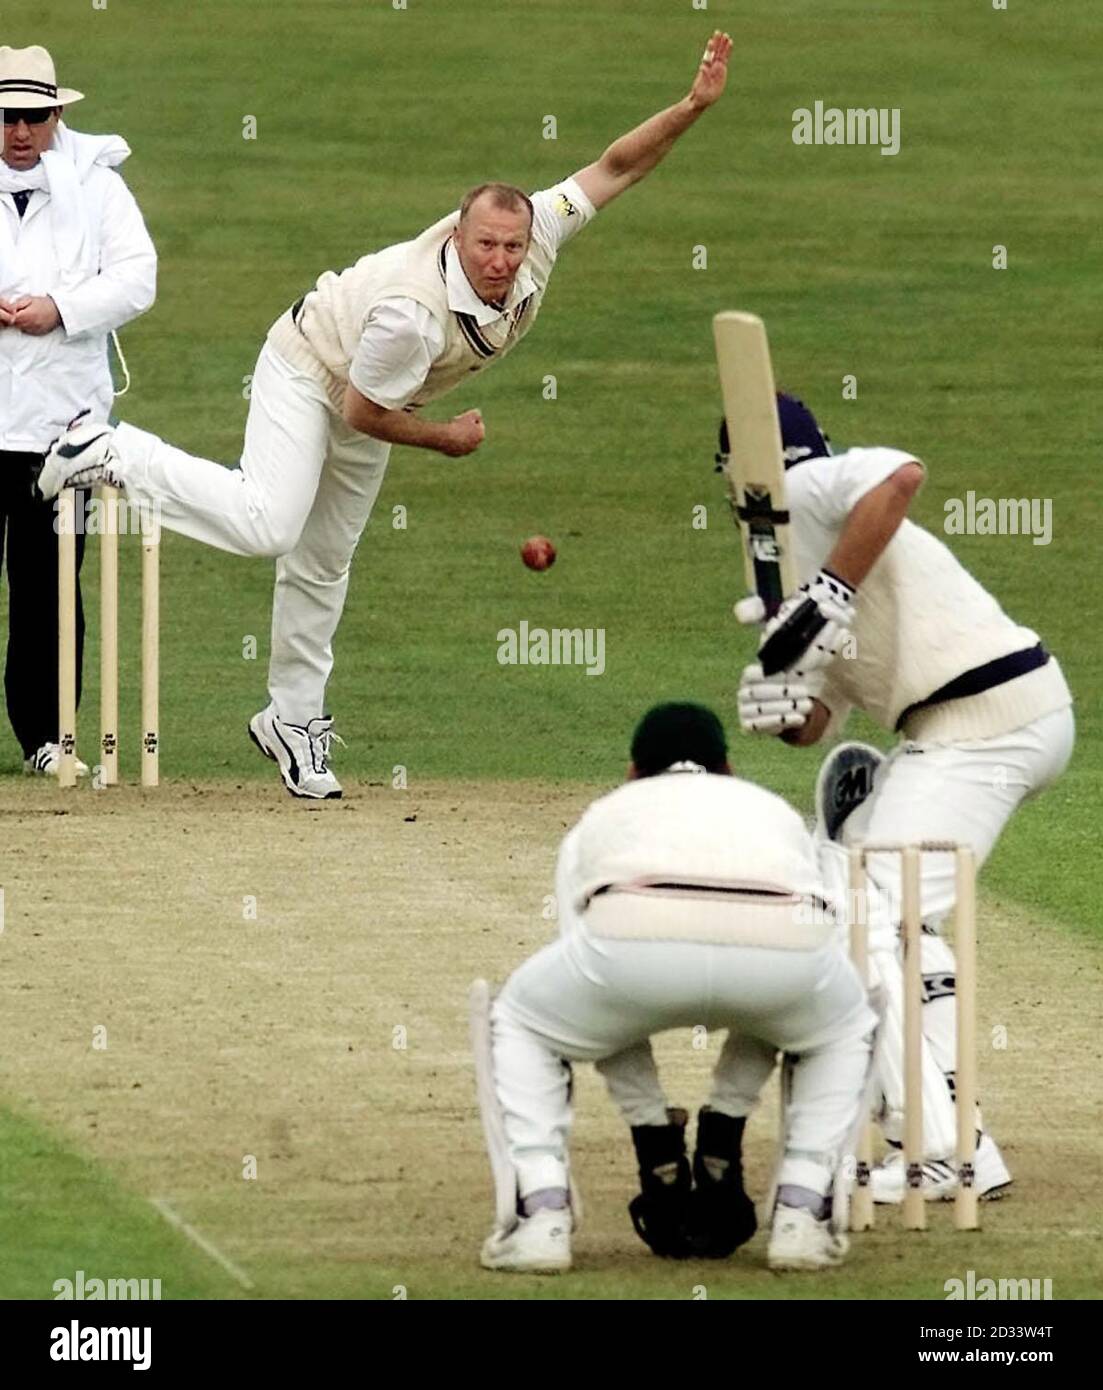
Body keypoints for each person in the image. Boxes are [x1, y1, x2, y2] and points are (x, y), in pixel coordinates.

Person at [38, 33, 733, 800]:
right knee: (270, 524)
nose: (500, 260)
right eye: (483, 246)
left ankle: (291, 722)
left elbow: (617, 165)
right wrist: (446, 439)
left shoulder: (541, 229)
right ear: (458, 237)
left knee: (324, 561)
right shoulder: (412, 313)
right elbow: (360, 409)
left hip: (382, 392)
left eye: (510, 245)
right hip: (312, 369)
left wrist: (692, 104)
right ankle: (109, 449)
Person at [731, 394, 1075, 1202]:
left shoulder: (814, 486)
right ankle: (948, 1129)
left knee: (860, 915)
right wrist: (779, 708)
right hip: (971, 725)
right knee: (874, 913)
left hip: (982, 721)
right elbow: (818, 723)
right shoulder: (782, 572)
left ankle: (942, 1150)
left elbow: (899, 474)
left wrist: (830, 594)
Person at [473, 702, 877, 1274]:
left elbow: (596, 991)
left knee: (520, 1019)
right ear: (728, 770)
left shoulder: (605, 813)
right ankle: (800, 1213)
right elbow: (815, 944)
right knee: (840, 1024)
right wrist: (728, 1106)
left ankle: (542, 1215)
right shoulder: (772, 810)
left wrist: (650, 1129)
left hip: (633, 941)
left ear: (633, 772)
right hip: (786, 950)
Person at [0, 45, 156, 777]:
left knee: (50, 589)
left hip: (65, 430)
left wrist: (59, 309)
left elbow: (137, 280)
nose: (20, 131)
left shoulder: (98, 185)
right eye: (6, 116)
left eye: (34, 115)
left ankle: (47, 738)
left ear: (57, 115)